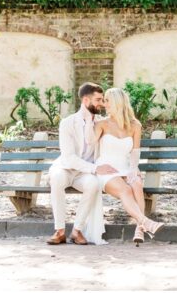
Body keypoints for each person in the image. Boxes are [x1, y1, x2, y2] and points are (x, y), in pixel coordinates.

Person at [45, 82, 117, 245]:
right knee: (56, 178)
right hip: (66, 168)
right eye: (98, 100)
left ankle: (77, 231)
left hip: (85, 173)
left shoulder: (101, 123)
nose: (102, 104)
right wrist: (96, 168)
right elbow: (69, 157)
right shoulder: (67, 123)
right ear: (86, 100)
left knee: (93, 185)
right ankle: (60, 230)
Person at [94, 87, 165, 245]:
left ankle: (139, 229)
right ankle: (145, 223)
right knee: (126, 190)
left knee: (137, 183)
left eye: (107, 100)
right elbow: (89, 145)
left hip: (126, 166)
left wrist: (133, 168)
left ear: (117, 103)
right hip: (106, 168)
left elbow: (135, 151)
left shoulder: (135, 125)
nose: (104, 104)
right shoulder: (101, 124)